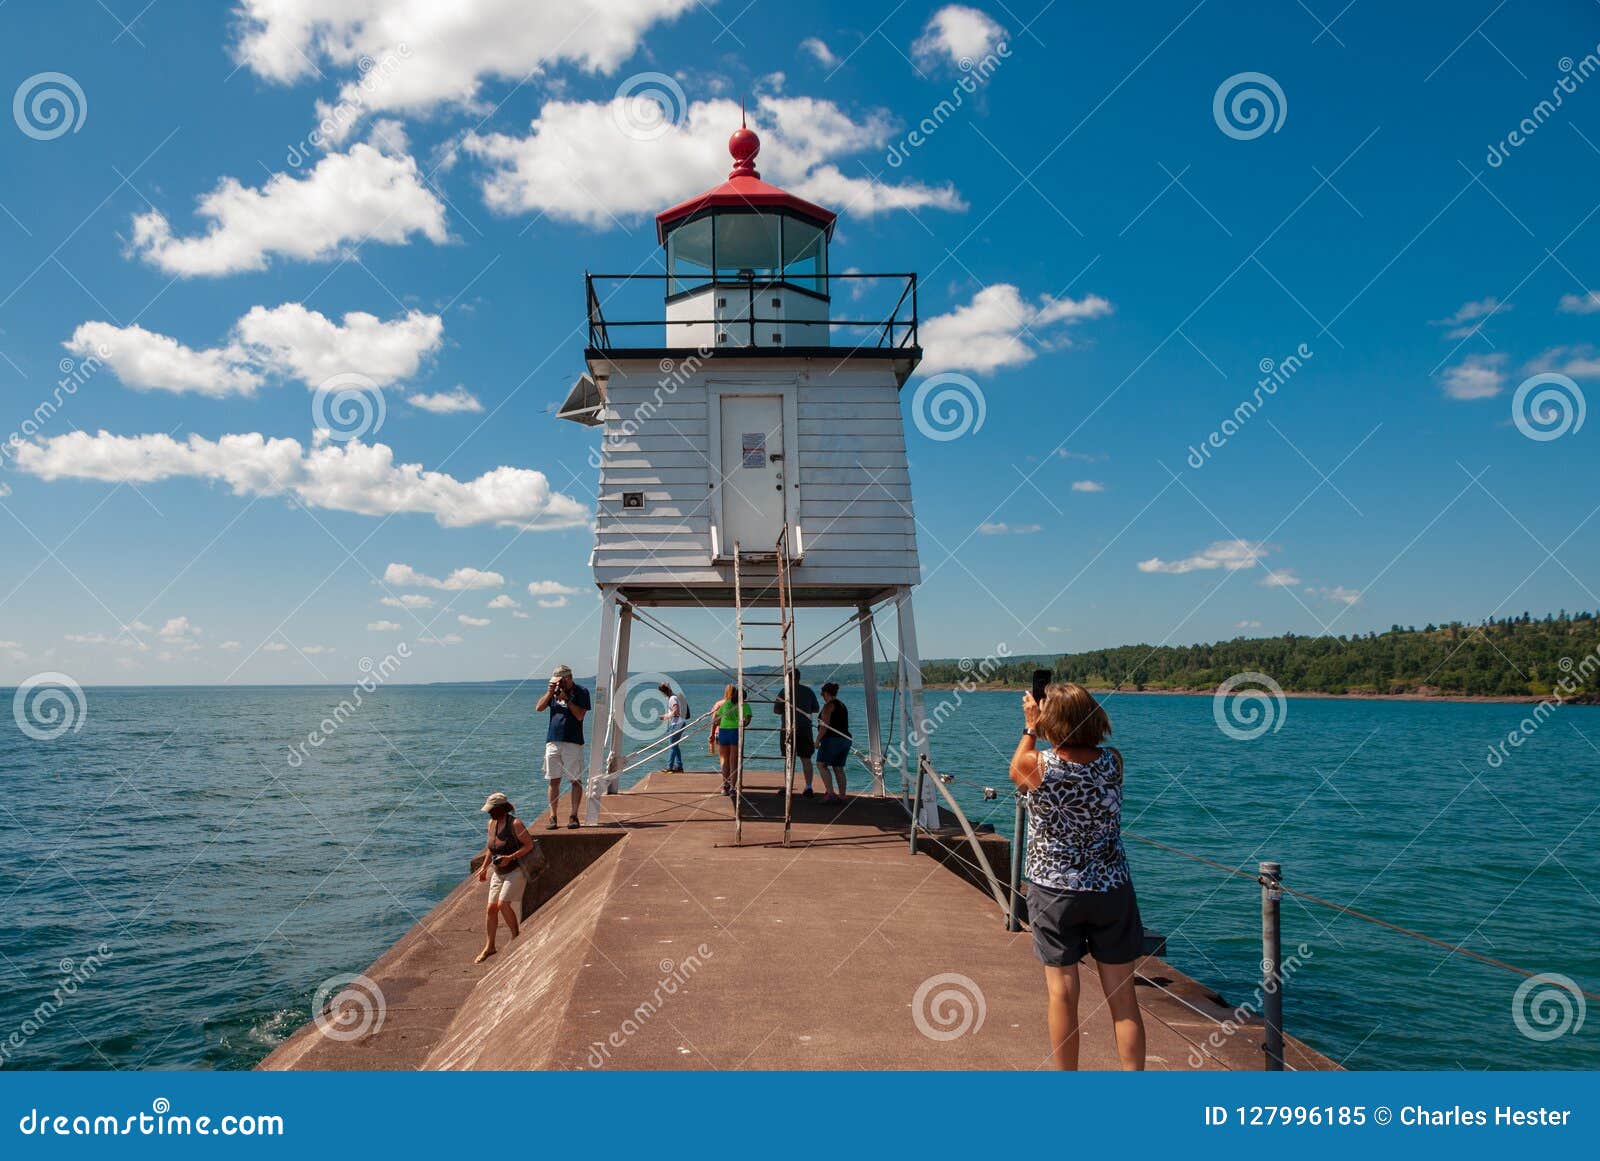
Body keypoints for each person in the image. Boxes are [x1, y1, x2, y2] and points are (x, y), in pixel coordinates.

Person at [1008, 682, 1147, 1071]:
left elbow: (1015, 772)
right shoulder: (1113, 761)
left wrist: (1030, 727)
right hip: (1110, 887)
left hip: (1054, 890)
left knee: (1063, 993)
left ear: (1051, 719)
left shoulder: (1036, 764)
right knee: (1123, 998)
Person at [474, 792, 536, 964]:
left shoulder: (515, 824)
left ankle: (516, 936)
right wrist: (484, 868)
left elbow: (529, 845)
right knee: (491, 908)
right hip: (498, 872)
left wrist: (511, 857)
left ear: (501, 809)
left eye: (492, 810)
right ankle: (490, 946)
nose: (489, 813)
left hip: (515, 870)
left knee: (503, 904)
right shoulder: (491, 824)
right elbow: (490, 849)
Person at [536, 664, 590, 829]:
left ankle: (573, 815)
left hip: (572, 741)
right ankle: (553, 816)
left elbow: (580, 715)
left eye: (559, 681)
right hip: (553, 740)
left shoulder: (581, 692)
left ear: (568, 678)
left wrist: (567, 699)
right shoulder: (553, 693)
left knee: (575, 780)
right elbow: (538, 708)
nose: (558, 684)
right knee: (553, 780)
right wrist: (550, 692)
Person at [773, 668, 820, 794]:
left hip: (788, 728)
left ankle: (788, 786)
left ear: (788, 679)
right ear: (799, 678)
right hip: (805, 728)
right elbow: (816, 709)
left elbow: (776, 710)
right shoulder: (808, 691)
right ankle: (809, 786)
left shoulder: (784, 691)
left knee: (789, 759)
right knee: (806, 758)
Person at [707, 683, 751, 796]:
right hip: (735, 731)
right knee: (733, 761)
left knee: (724, 760)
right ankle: (732, 787)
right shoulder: (744, 705)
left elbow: (717, 719)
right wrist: (742, 722)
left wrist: (714, 731)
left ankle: (725, 786)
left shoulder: (726, 704)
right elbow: (747, 721)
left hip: (723, 732)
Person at [815, 682, 852, 803]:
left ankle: (830, 793)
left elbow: (824, 726)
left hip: (832, 739)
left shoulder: (828, 706)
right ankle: (842, 795)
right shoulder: (842, 705)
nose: (822, 697)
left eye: (822, 694)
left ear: (826, 693)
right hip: (845, 739)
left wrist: (817, 740)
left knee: (821, 765)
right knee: (838, 767)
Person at [659, 682, 689, 773]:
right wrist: (666, 715)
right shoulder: (675, 697)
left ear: (664, 692)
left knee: (672, 746)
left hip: (676, 724)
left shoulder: (672, 698)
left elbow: (676, 711)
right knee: (675, 745)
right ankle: (679, 766)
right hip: (679, 723)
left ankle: (669, 766)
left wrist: (666, 717)